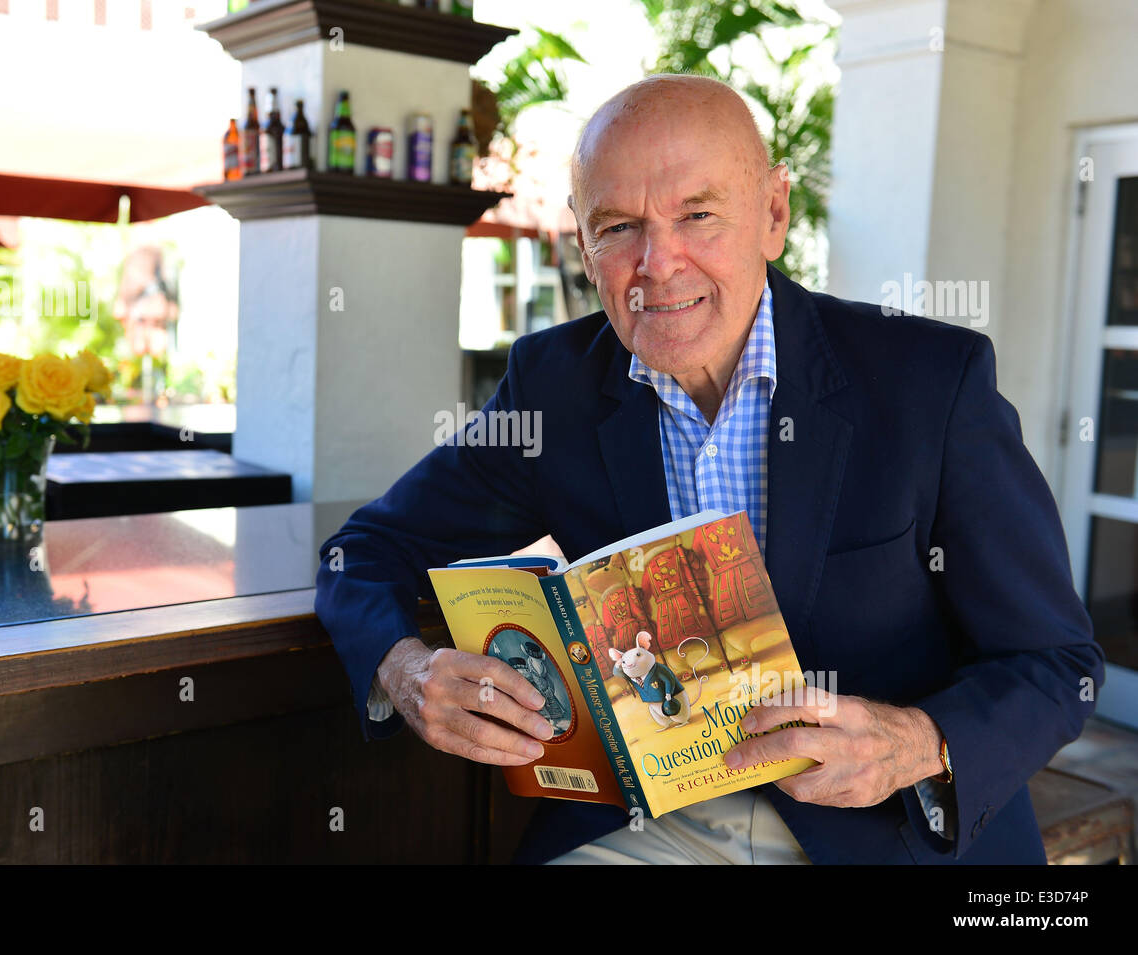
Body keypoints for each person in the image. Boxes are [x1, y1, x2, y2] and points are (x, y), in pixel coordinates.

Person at [314, 74, 1105, 864]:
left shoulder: (929, 381)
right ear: (583, 245)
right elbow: (364, 549)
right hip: (643, 831)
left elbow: (1057, 662)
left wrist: (917, 742)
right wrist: (407, 668)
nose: (657, 263)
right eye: (619, 226)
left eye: (698, 214)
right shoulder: (551, 386)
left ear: (773, 214)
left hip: (881, 833)